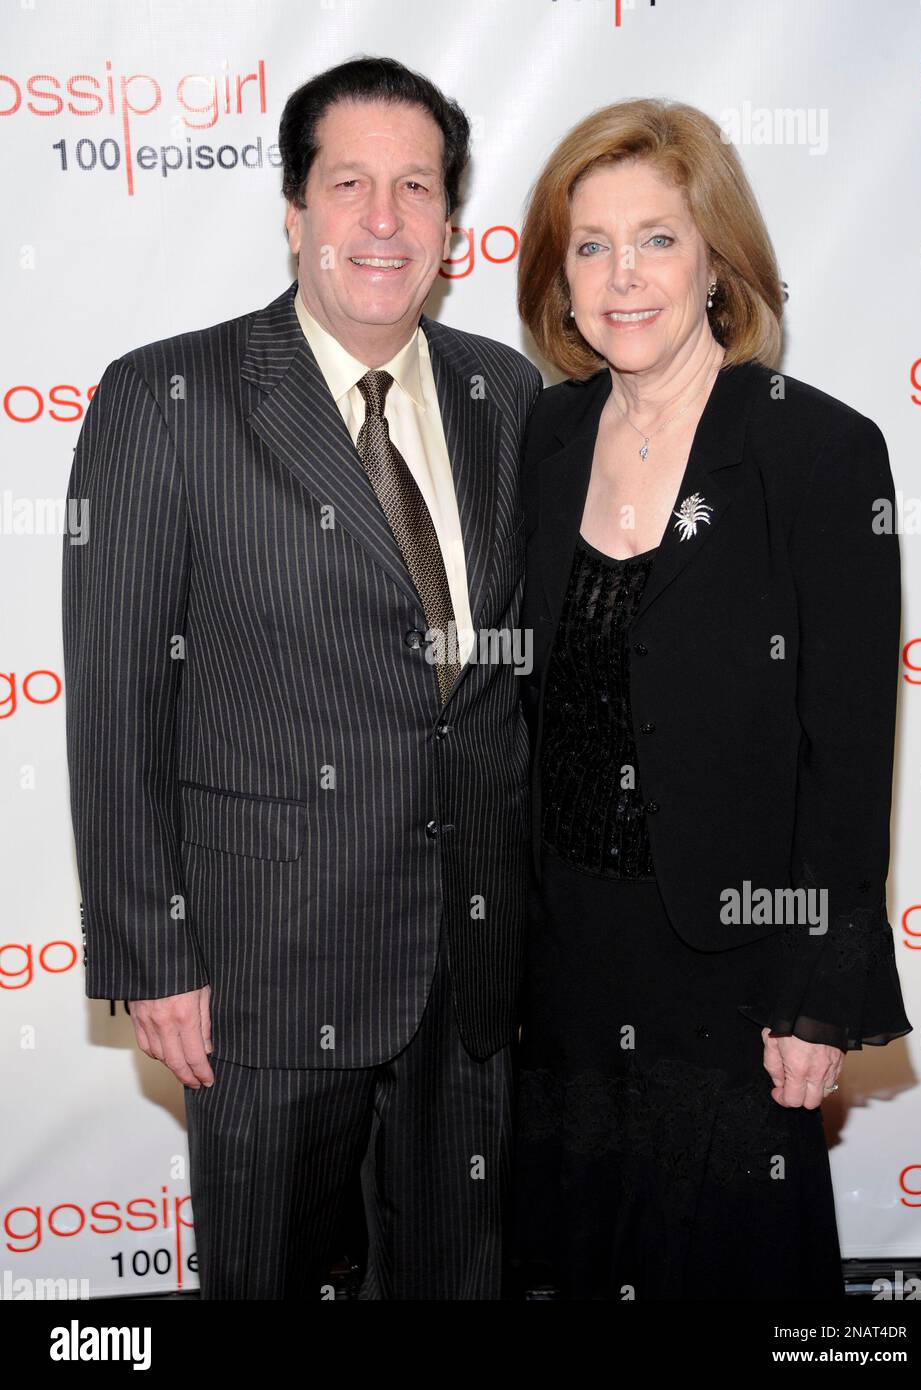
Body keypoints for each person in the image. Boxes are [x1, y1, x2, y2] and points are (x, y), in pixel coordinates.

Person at [62, 55, 541, 1300]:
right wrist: (153, 952)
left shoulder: (512, 394)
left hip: (473, 973)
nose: (385, 220)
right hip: (265, 973)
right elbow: (116, 707)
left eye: (417, 187)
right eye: (350, 185)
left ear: (451, 223)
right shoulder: (168, 398)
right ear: (293, 213)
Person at [507, 97, 912, 1301]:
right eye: (591, 244)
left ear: (719, 262)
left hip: (736, 971)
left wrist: (819, 998)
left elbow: (847, 753)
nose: (623, 276)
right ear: (559, 275)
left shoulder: (819, 453)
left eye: (658, 239)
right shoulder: (543, 437)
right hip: (564, 965)